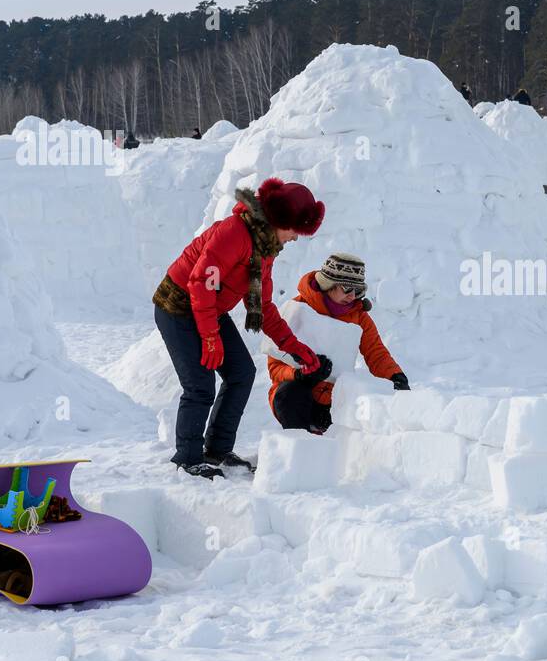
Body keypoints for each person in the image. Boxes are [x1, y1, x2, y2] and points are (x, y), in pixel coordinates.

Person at [153, 178, 328, 479]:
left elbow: (262, 305)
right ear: (280, 219)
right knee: (199, 385)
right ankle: (187, 458)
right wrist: (209, 337)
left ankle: (217, 449)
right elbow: (200, 284)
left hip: (209, 309)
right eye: (295, 229)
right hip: (178, 306)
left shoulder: (265, 248)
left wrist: (293, 346)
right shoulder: (233, 233)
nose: (296, 238)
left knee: (241, 373)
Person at [268, 254, 407, 434]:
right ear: (328, 284)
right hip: (296, 392)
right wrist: (300, 375)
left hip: (334, 400)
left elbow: (376, 352)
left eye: (358, 291)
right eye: (347, 288)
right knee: (290, 393)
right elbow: (275, 364)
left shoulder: (359, 316)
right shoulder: (297, 310)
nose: (352, 296)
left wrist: (395, 376)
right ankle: (299, 451)